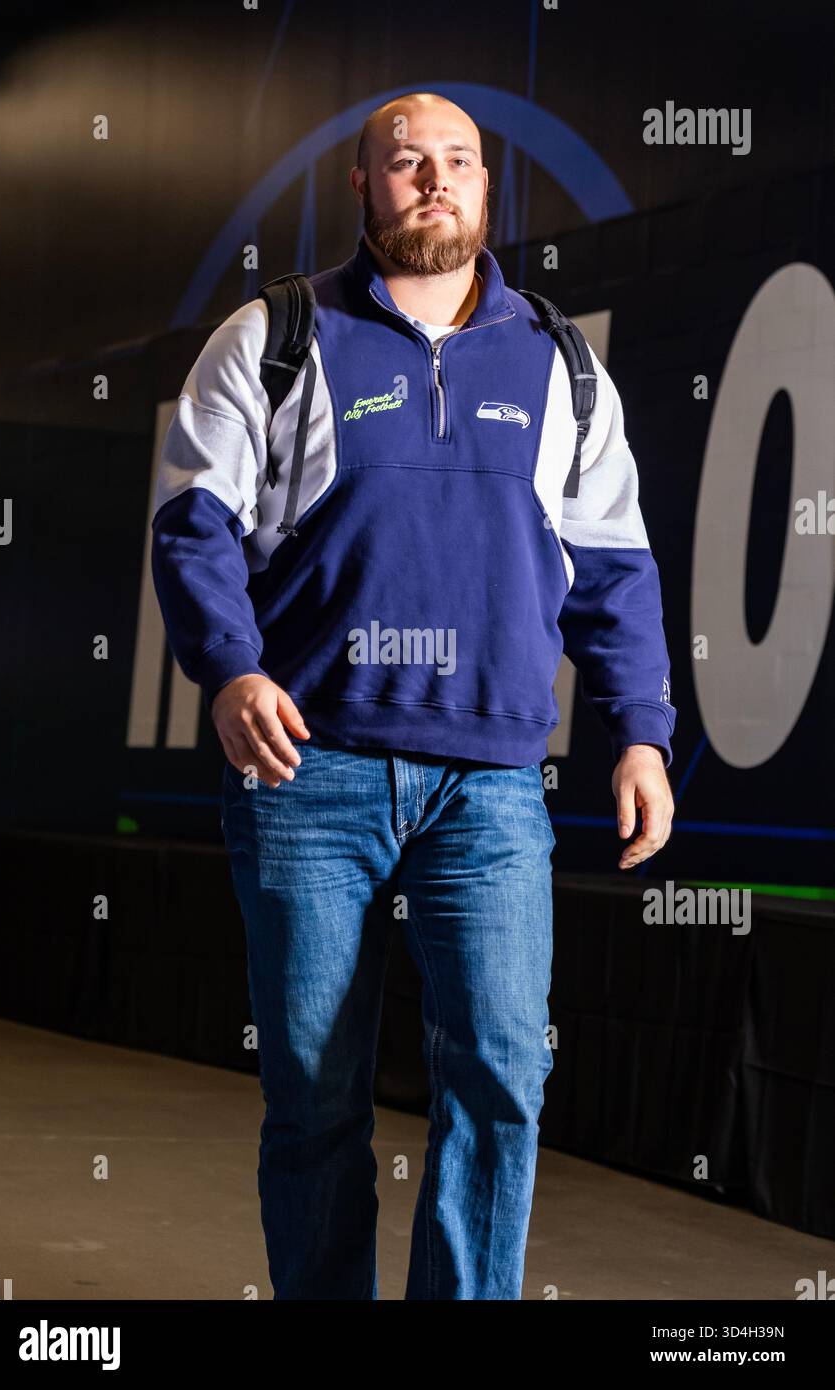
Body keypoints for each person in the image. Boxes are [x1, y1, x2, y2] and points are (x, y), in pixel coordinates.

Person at [151, 91, 676, 1300]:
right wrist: (231, 666)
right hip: (307, 774)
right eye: (404, 162)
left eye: (456, 162)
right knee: (315, 1095)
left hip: (489, 787)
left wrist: (639, 732)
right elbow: (193, 525)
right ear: (360, 187)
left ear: (486, 190)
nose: (431, 180)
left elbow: (613, 565)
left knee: (498, 1075)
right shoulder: (273, 337)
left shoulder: (559, 365)